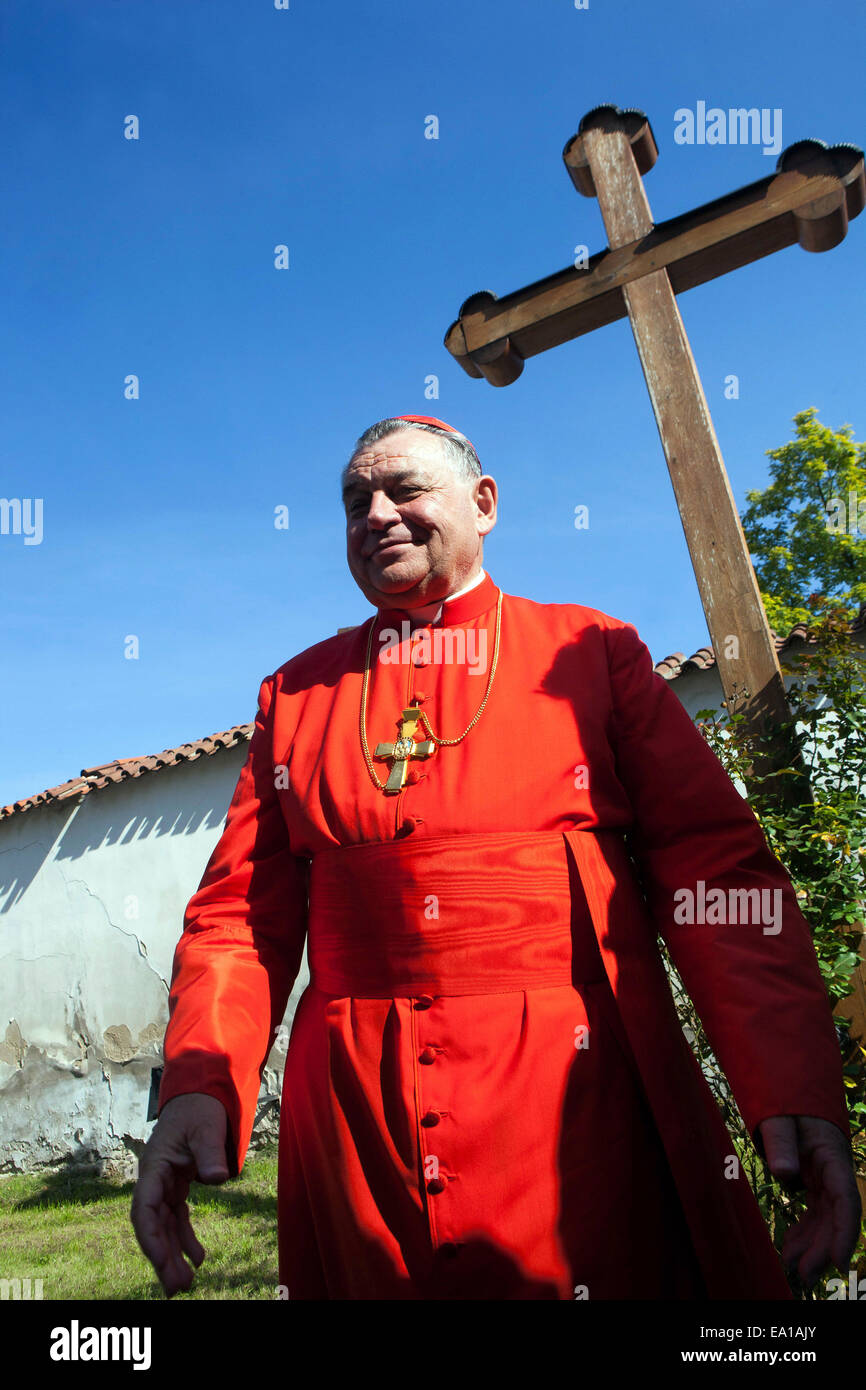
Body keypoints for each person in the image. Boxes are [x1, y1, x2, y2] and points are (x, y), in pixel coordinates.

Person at [131, 414, 861, 1300]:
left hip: (576, 1102)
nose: (375, 514)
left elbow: (717, 880)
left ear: (483, 504)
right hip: (357, 1121)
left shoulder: (591, 654)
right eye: (355, 500)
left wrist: (789, 1079)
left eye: (404, 489)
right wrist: (199, 1086)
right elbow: (240, 917)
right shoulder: (296, 694)